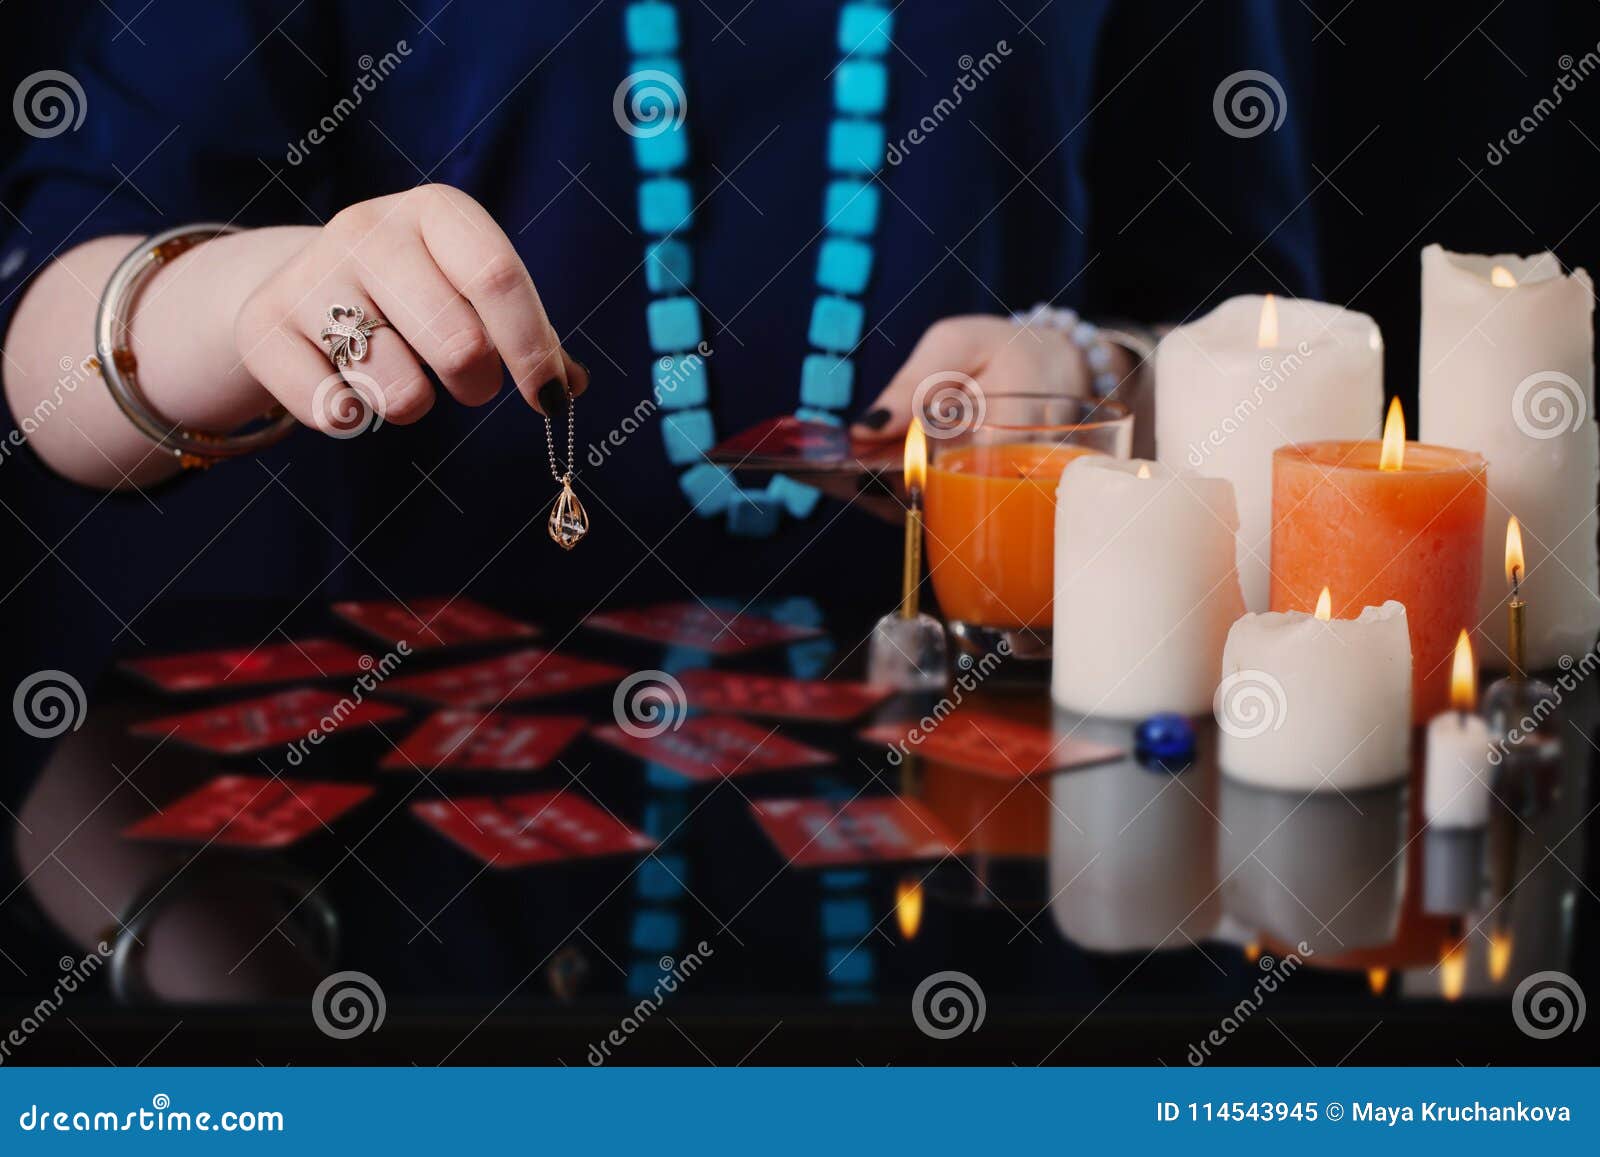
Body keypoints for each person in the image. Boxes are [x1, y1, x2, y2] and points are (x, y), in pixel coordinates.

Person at [0, 1, 1317, 678]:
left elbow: (1271, 332)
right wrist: (249, 294)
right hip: (427, 870)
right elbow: (54, 338)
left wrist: (1106, 386)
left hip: (993, 805)